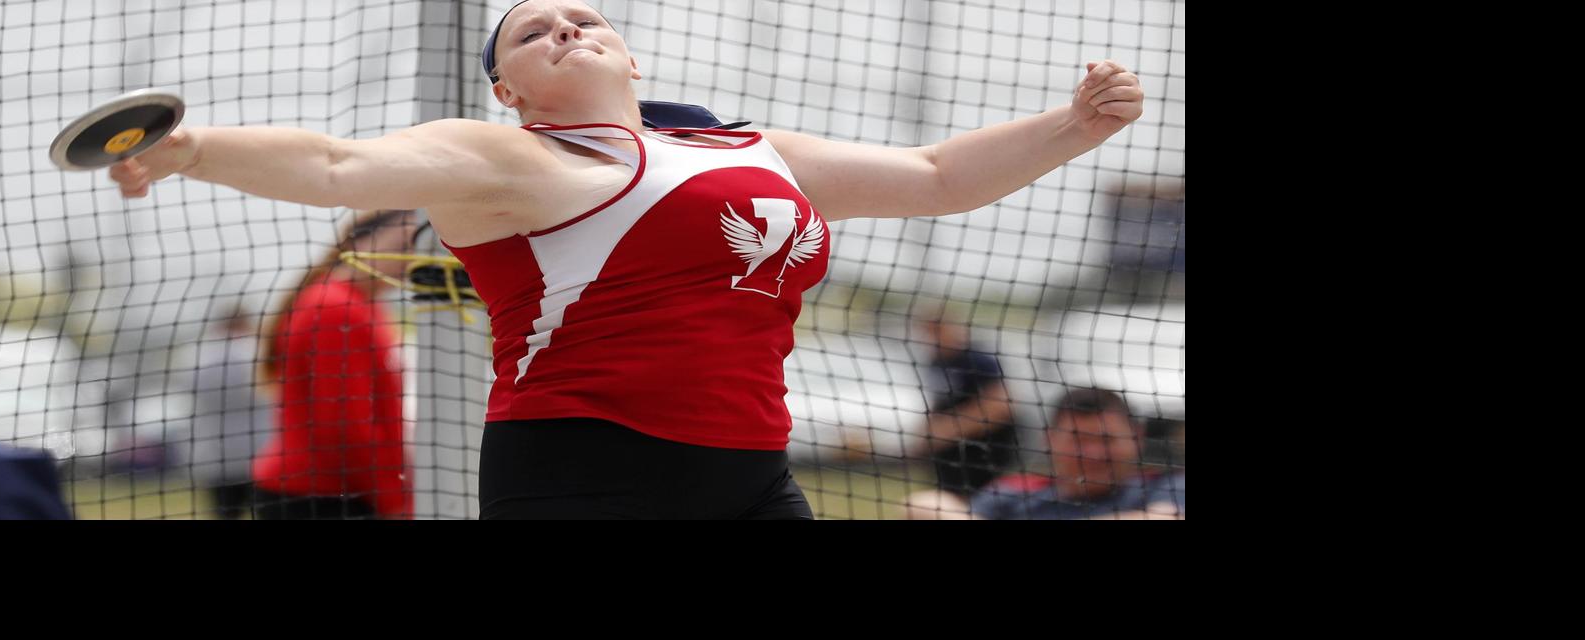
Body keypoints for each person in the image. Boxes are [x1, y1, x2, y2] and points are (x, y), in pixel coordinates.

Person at [108, 0, 1145, 520]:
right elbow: (336, 165)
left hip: (749, 471)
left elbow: (933, 176)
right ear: (507, 89)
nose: (562, 27)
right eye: (529, 34)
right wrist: (192, 149)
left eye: (582, 17)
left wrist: (1072, 125)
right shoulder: (501, 155)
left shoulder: (750, 148)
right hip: (587, 471)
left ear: (630, 57)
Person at [248, 210, 417, 520]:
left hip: (343, 491)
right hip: (316, 495)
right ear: (361, 240)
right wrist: (394, 501)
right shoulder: (334, 307)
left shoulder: (367, 306)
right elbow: (345, 424)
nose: (411, 259)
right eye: (404, 244)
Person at [905, 387, 1183, 520]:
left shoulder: (1167, 486)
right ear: (1049, 439)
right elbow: (922, 505)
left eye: (1106, 440)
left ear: (1137, 438)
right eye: (1078, 440)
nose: (1093, 453)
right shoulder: (1018, 493)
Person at [180, 303, 274, 518]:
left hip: (217, 454)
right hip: (259, 451)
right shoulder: (256, 349)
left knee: (225, 514)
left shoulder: (198, 354)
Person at [913, 312, 1018, 496]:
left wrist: (948, 430)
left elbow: (1001, 405)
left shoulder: (977, 359)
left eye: (937, 330)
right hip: (950, 457)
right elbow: (939, 402)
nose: (930, 337)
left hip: (983, 453)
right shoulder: (936, 361)